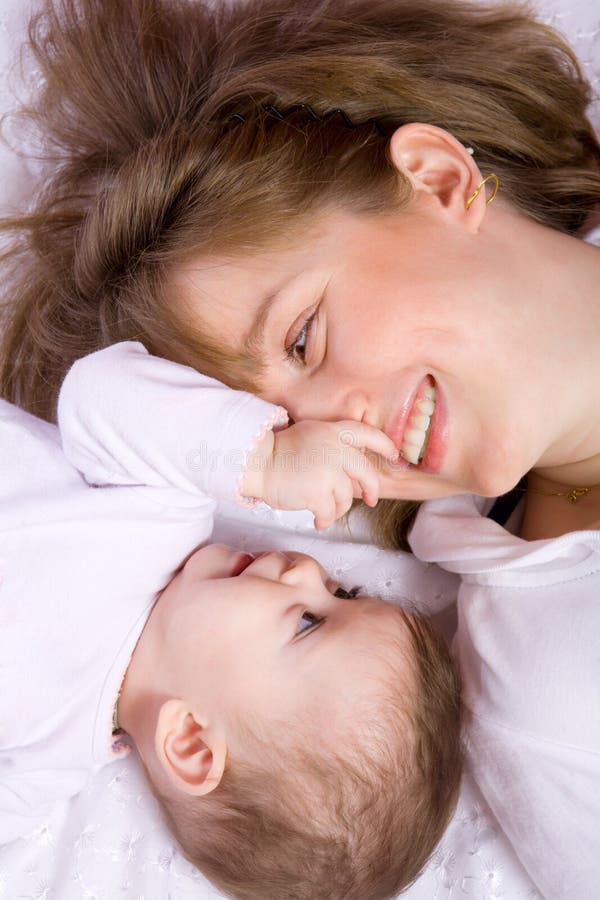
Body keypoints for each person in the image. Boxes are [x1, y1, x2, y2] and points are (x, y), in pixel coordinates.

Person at [0, 0, 598, 893]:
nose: (336, 426)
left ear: (437, 178)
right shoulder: (552, 699)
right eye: (281, 430)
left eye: (305, 339)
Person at [0, 340, 462, 900]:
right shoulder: (164, 518)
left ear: (191, 742)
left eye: (309, 622)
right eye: (345, 589)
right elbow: (95, 392)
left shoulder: (43, 770)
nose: (307, 570)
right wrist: (263, 461)